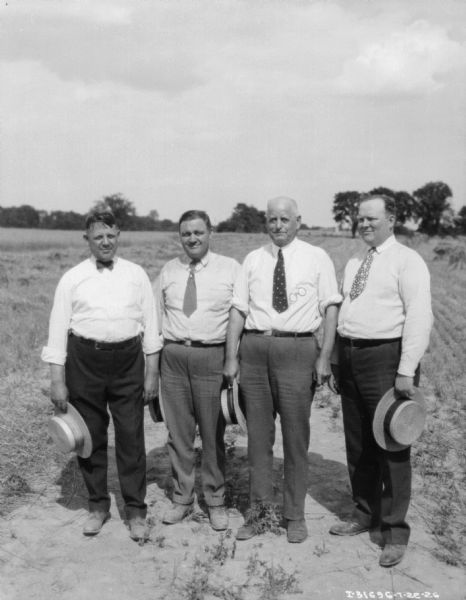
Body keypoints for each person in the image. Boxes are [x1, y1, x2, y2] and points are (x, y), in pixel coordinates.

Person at [223, 197, 341, 543]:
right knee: (258, 439)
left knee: (295, 437)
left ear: (298, 222)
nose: (278, 225)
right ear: (266, 223)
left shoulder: (317, 257)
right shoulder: (253, 260)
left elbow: (331, 310)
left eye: (284, 219)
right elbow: (238, 311)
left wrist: (323, 358)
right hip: (256, 349)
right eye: (272, 219)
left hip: (298, 349)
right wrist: (232, 358)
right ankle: (259, 513)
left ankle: (294, 516)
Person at [42, 209, 161, 541]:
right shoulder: (72, 278)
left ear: (118, 235)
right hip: (84, 362)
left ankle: (136, 510)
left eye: (110, 235)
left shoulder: (137, 275)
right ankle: (97, 506)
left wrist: (152, 372)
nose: (105, 242)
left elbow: (151, 326)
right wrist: (57, 380)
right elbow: (56, 330)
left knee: (131, 436)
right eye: (98, 237)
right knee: (89, 438)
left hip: (127, 362)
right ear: (87, 240)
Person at [330, 194, 433, 567]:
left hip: (386, 360)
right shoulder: (356, 261)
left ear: (392, 219)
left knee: (391, 444)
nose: (365, 224)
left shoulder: (408, 261)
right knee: (357, 442)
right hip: (351, 354)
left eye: (372, 218)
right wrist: (337, 358)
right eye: (361, 219)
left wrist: (406, 368)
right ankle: (363, 512)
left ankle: (393, 532)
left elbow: (419, 316)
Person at [155, 210, 240, 530]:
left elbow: (239, 315)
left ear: (210, 232)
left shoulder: (230, 268)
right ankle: (182, 497)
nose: (192, 238)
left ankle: (215, 500)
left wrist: (232, 358)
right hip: (174, 357)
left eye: (198, 232)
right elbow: (154, 313)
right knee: (178, 434)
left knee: (212, 432)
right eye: (186, 233)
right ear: (180, 237)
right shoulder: (168, 270)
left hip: (211, 357)